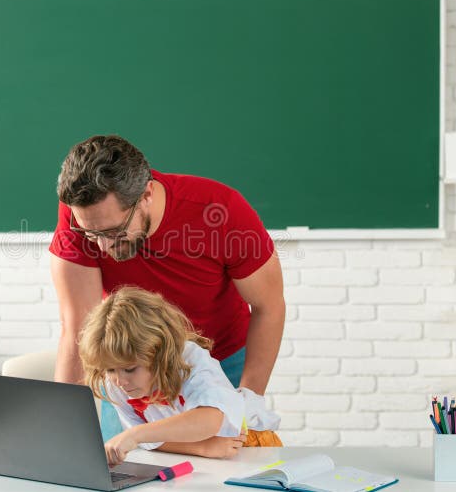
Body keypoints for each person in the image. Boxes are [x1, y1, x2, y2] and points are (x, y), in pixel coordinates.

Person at [50, 134, 285, 439]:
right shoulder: (84, 216)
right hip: (128, 364)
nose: (103, 245)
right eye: (91, 234)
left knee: (218, 471)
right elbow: (78, 325)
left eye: (114, 231)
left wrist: (250, 397)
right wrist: (61, 422)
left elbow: (269, 306)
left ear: (146, 194)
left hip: (217, 362)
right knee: (124, 465)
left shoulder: (220, 211)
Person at [79, 287, 282, 466]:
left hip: (250, 444)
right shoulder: (116, 381)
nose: (120, 381)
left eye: (130, 369)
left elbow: (211, 420)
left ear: (158, 352)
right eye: (110, 370)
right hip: (205, 453)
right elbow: (152, 442)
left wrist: (136, 435)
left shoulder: (190, 360)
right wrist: (202, 448)